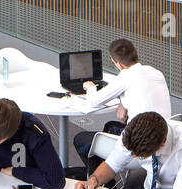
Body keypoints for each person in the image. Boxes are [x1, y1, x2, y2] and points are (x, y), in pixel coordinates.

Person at [73, 38, 172, 170]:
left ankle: (105, 180)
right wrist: (123, 102)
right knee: (110, 126)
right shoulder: (156, 73)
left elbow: (93, 101)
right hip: (165, 138)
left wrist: (90, 87)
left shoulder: (126, 76)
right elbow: (143, 94)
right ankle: (108, 171)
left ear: (119, 64)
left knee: (81, 139)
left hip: (140, 147)